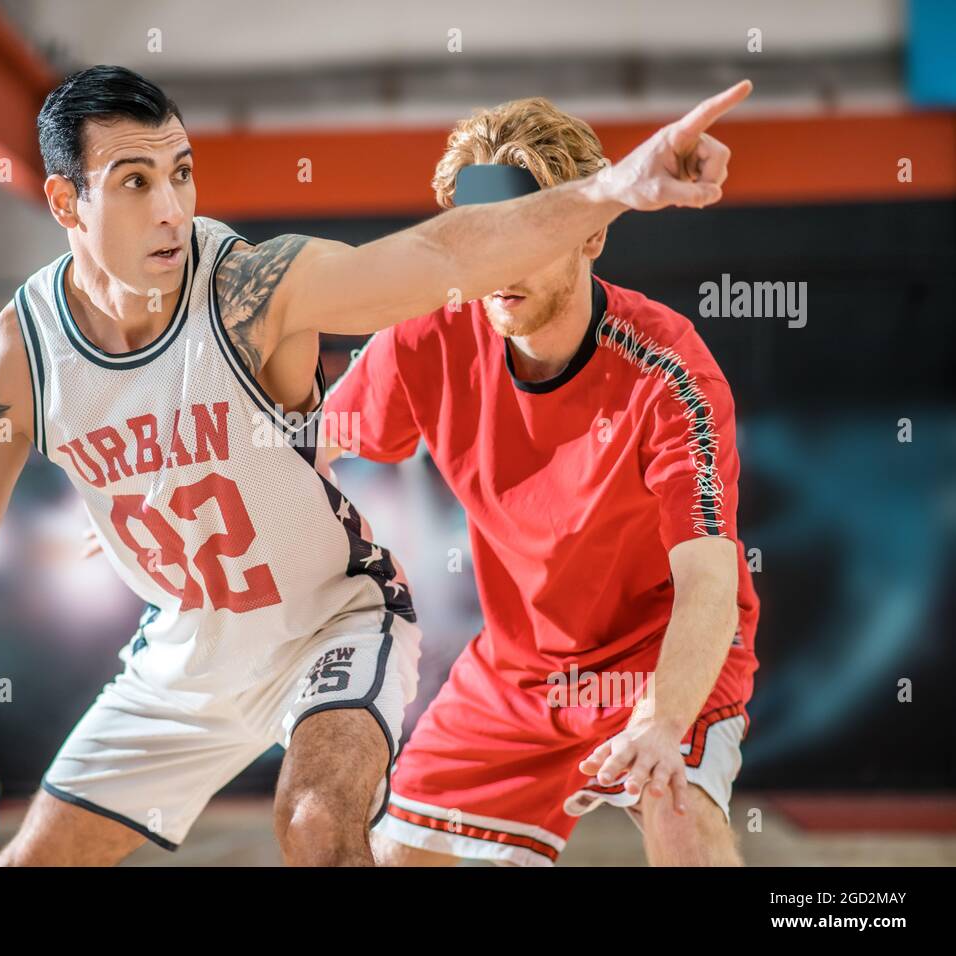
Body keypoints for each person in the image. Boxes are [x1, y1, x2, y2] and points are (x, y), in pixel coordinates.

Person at [0, 64, 749, 866]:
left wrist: (619, 186)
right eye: (136, 181)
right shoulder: (19, 355)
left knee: (334, 825)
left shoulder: (247, 289)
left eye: (181, 174)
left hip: (456, 635)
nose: (170, 208)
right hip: (256, 648)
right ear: (68, 203)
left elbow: (435, 257)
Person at [322, 95, 759, 867]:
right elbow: (306, 445)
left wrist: (659, 722)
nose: (497, 265)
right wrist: (184, 496)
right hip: (521, 671)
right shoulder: (427, 335)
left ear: (590, 232)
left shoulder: (669, 371)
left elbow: (708, 584)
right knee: (396, 859)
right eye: (480, 241)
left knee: (678, 814)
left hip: (657, 653)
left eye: (526, 234)